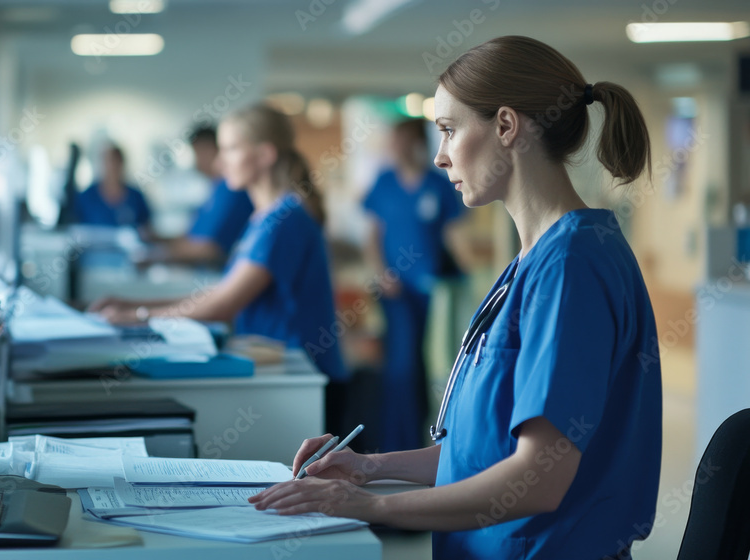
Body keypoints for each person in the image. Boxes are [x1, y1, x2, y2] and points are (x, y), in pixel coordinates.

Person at [249, 35, 662, 560]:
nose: (440, 157)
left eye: (447, 130)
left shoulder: (570, 266)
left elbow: (537, 480)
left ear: (507, 127)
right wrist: (370, 468)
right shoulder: (536, 261)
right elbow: (480, 453)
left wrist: (366, 506)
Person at [89, 104, 348, 384]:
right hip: (286, 372)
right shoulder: (265, 217)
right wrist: (133, 305)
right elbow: (220, 294)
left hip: (308, 379)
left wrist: (136, 316)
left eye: (230, 149)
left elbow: (222, 306)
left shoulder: (284, 221)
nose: (218, 163)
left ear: (264, 155)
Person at [363, 118, 466, 453]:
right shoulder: (384, 183)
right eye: (393, 141)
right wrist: (382, 274)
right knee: (401, 361)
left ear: (415, 142)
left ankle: (417, 438)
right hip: (393, 289)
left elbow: (452, 234)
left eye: (401, 140)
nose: (395, 147)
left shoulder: (436, 184)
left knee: (418, 360)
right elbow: (374, 235)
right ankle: (395, 442)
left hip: (428, 287)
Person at [159, 126, 254, 266]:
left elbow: (211, 249)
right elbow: (191, 237)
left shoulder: (232, 189)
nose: (195, 161)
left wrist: (159, 255)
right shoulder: (215, 190)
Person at [73, 143, 151, 232]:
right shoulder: (86, 197)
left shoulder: (136, 197)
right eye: (107, 162)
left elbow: (148, 228)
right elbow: (75, 230)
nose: (112, 167)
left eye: (115, 161)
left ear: (122, 163)